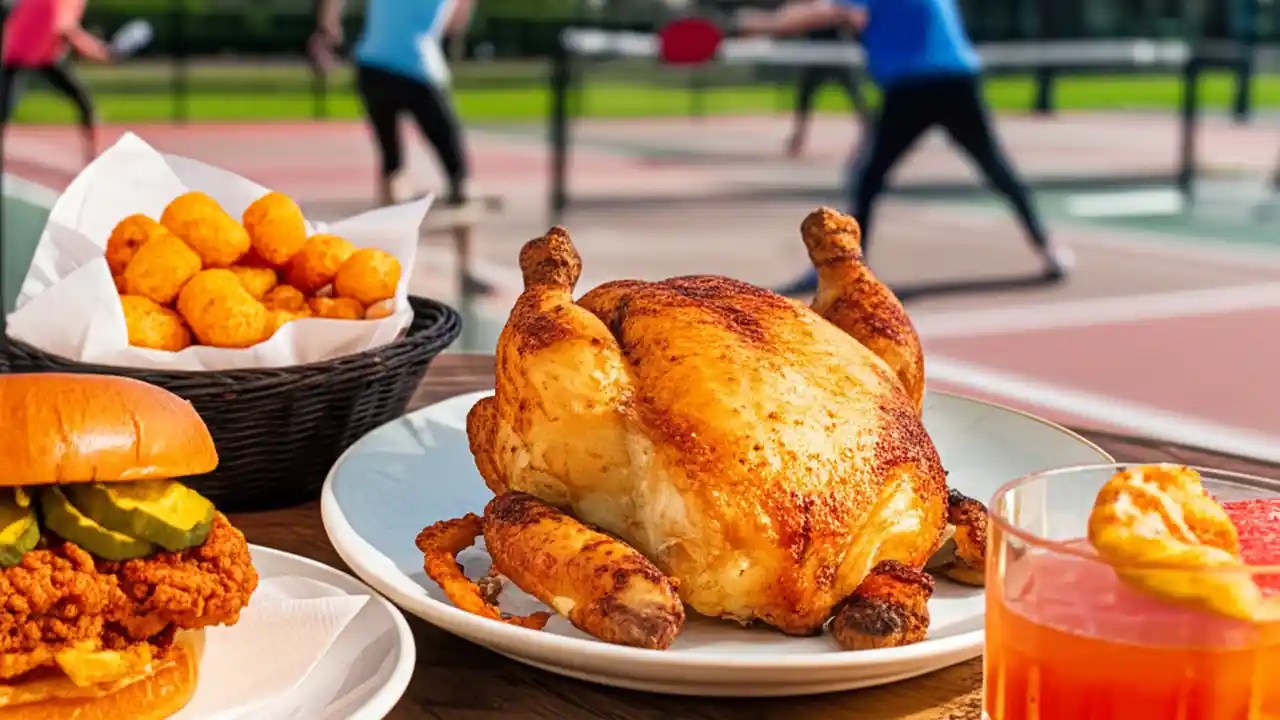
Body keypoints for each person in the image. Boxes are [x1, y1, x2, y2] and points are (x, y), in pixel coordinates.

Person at [739, 0, 1073, 297]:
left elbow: (822, 11)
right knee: (996, 169)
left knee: (867, 178)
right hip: (957, 81)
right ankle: (1049, 248)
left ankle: (844, 271)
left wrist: (760, 25)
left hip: (914, 86)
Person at [310, 0, 474, 207]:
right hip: (419, 69)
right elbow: (456, 25)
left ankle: (391, 227)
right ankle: (464, 232)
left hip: (372, 67)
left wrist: (328, 26)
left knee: (392, 162)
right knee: (458, 170)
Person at [1, 0, 111, 165]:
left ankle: (94, 154)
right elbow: (67, 31)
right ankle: (94, 155)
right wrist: (98, 51)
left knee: (82, 99)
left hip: (39, 54)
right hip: (22, 53)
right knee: (82, 100)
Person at [786, 24, 871, 157]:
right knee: (806, 94)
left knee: (854, 93)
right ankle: (798, 135)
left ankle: (870, 132)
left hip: (837, 52)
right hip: (816, 53)